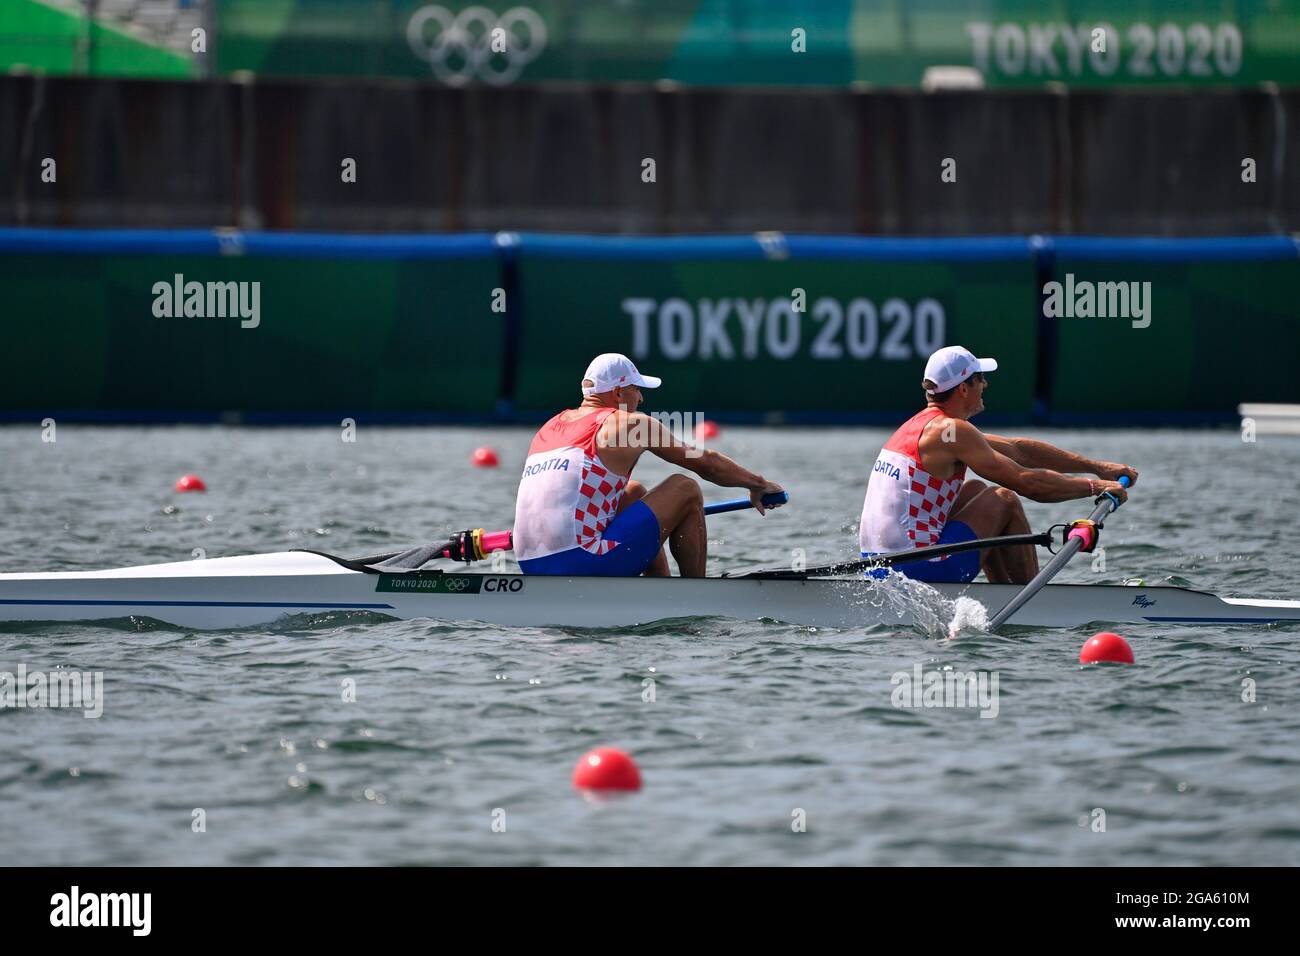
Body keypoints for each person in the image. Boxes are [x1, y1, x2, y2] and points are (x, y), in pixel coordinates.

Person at [859, 345, 1138, 584]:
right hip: (914, 570)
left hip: (879, 568)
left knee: (975, 489)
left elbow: (1018, 451)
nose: (986, 385)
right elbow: (1028, 482)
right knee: (1004, 499)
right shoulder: (952, 431)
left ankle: (1005, 591)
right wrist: (1095, 487)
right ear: (964, 387)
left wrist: (1096, 466)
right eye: (980, 378)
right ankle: (1034, 601)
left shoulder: (927, 426)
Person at [514, 353, 784, 577]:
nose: (640, 398)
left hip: (529, 564)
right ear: (619, 392)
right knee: (686, 488)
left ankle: (660, 588)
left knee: (632, 493)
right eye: (636, 389)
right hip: (582, 562)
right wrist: (758, 484)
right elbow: (707, 464)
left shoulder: (549, 426)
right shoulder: (632, 425)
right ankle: (697, 596)